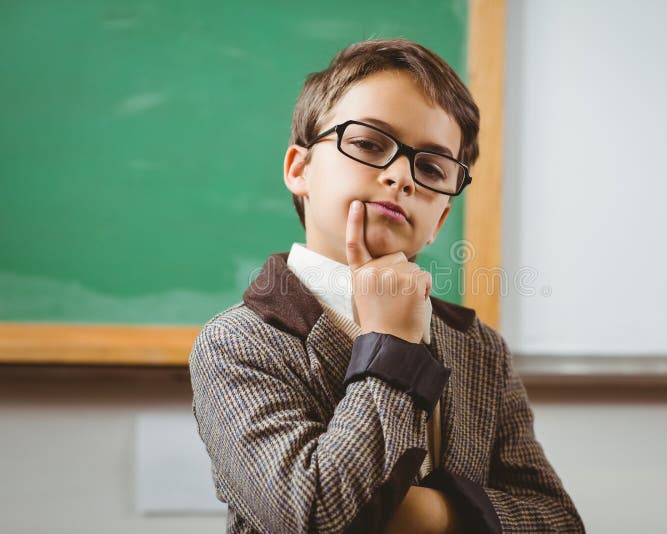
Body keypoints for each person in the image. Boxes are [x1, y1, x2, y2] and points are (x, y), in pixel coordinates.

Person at [189, 38, 584, 533]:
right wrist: (391, 345)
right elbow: (314, 516)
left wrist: (429, 515)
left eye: (432, 168)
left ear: (440, 217)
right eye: (370, 144)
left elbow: (560, 522)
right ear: (299, 169)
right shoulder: (237, 342)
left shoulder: (479, 349)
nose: (401, 177)